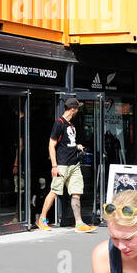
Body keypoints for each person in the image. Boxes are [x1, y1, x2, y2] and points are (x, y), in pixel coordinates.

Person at [37, 95, 95, 234]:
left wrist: (77, 146)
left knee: (76, 192)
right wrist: (54, 166)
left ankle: (79, 222)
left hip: (74, 164)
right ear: (73, 109)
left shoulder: (70, 125)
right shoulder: (59, 123)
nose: (78, 111)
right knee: (55, 191)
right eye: (77, 108)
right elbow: (51, 145)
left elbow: (67, 143)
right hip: (62, 165)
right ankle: (42, 219)